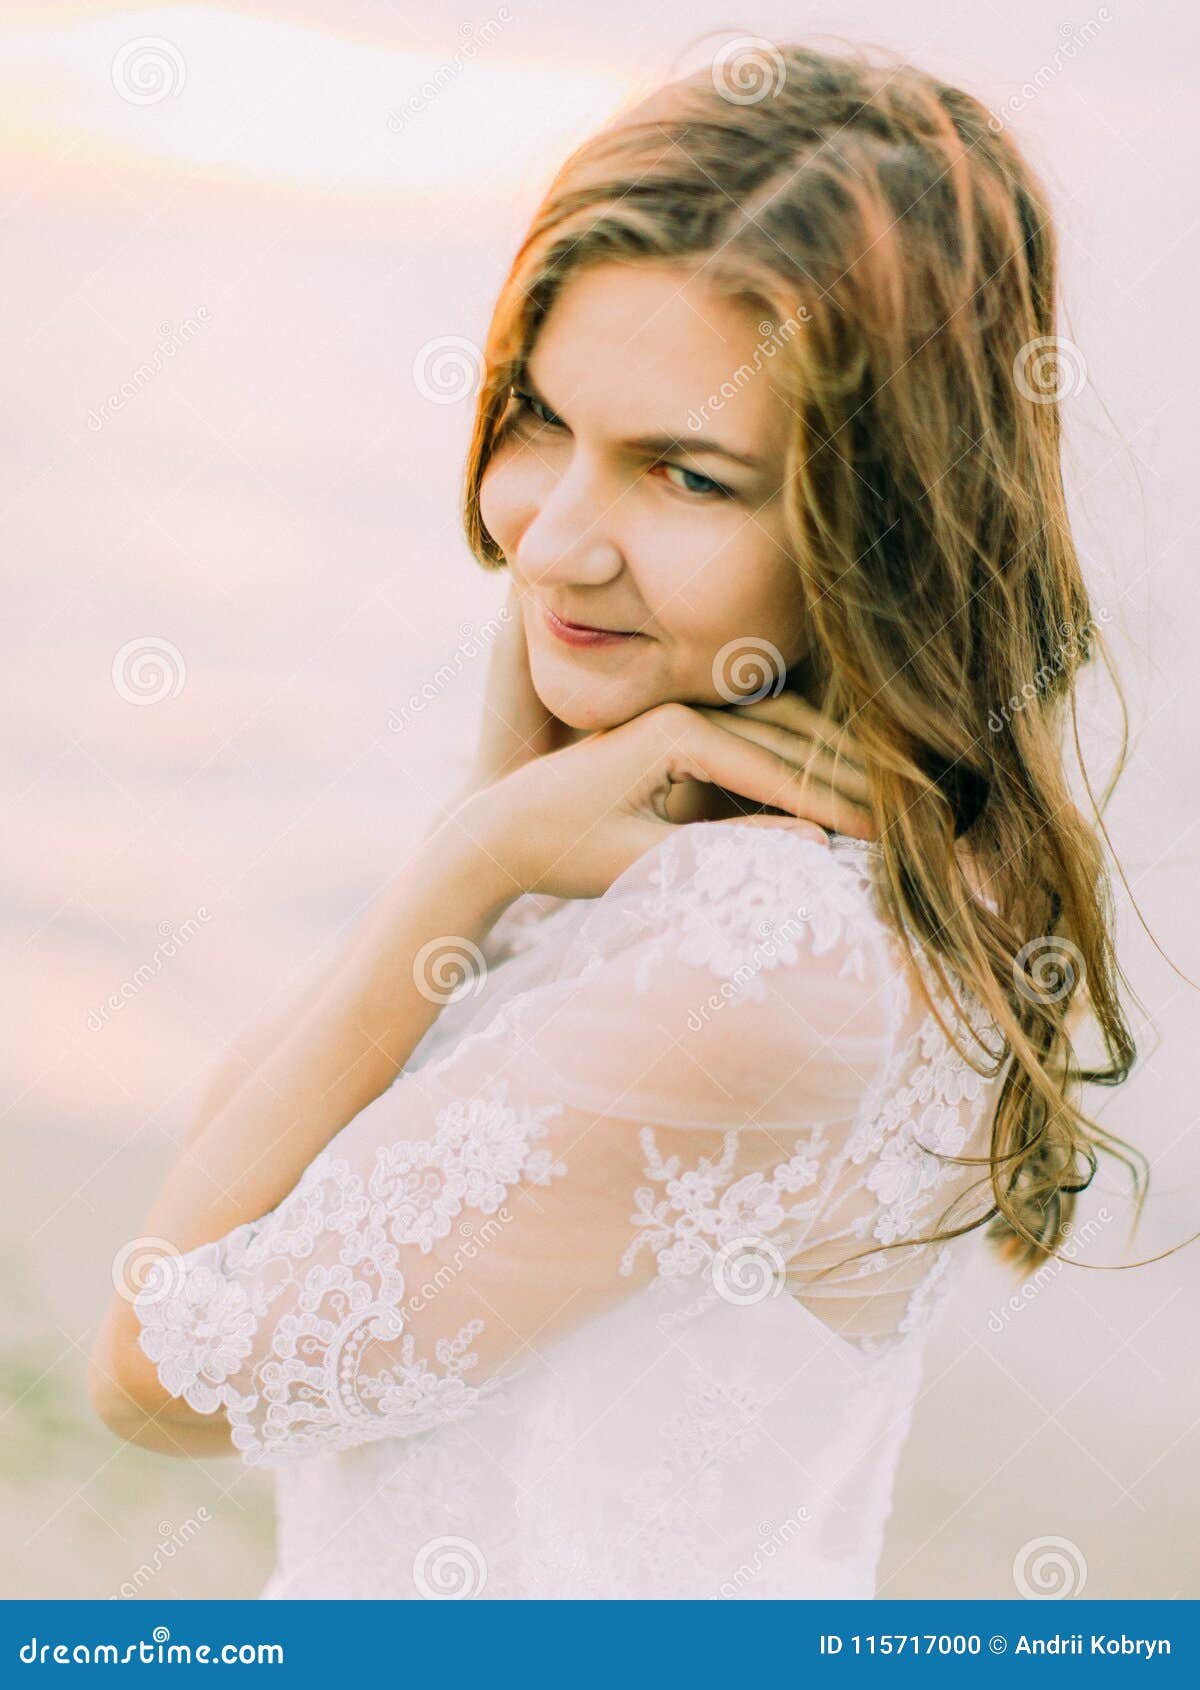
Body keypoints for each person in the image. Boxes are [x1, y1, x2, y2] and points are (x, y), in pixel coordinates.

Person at [88, 41, 1146, 1600]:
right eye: (541, 418)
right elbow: (250, 1183)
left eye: (685, 474)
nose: (555, 540)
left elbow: (153, 1363)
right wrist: (492, 821)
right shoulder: (828, 854)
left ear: (883, 520)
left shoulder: (763, 950)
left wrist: (473, 857)